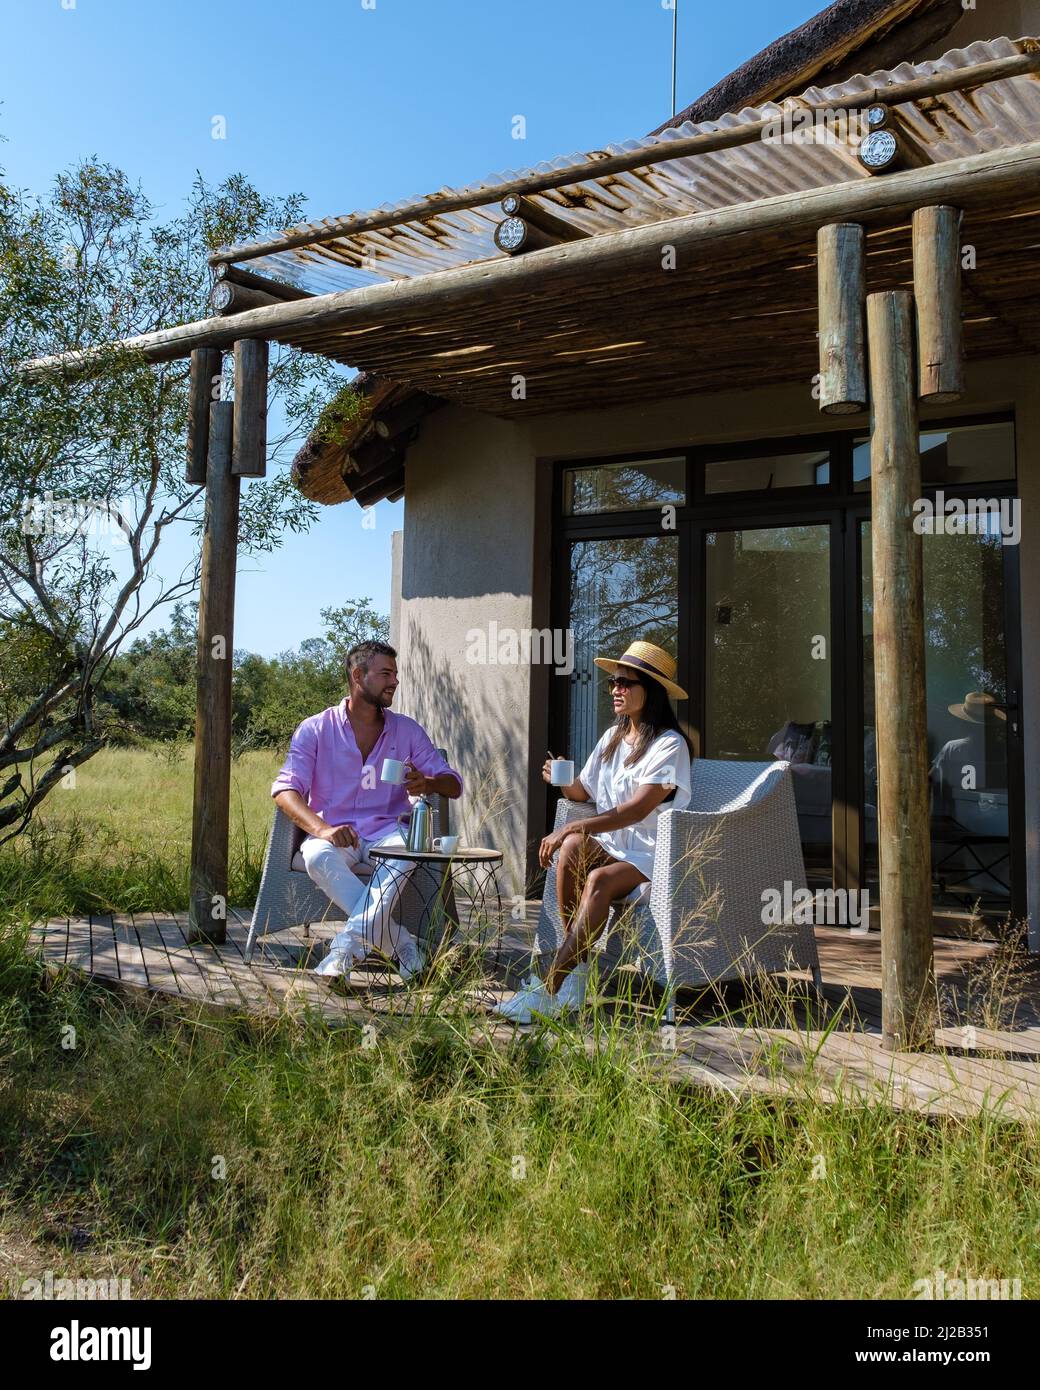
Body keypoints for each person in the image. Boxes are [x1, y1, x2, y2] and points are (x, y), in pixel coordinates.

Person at [495, 639, 691, 1024]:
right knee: (570, 850)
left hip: (652, 853)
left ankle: (548, 985)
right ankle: (578, 975)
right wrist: (561, 778)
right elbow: (582, 792)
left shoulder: (670, 745)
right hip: (612, 844)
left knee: (597, 876)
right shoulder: (613, 738)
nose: (615, 689)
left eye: (624, 683)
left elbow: (637, 809)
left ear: (649, 691)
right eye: (613, 683)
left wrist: (573, 825)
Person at [271, 640, 462, 981]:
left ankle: (345, 949)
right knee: (316, 856)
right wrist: (322, 829)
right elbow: (285, 790)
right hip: (336, 833)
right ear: (358, 675)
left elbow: (454, 784)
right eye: (386, 673)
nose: (395, 681)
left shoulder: (406, 730)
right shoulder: (315, 729)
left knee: (406, 851)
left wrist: (429, 782)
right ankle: (403, 945)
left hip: (389, 832)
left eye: (396, 674)